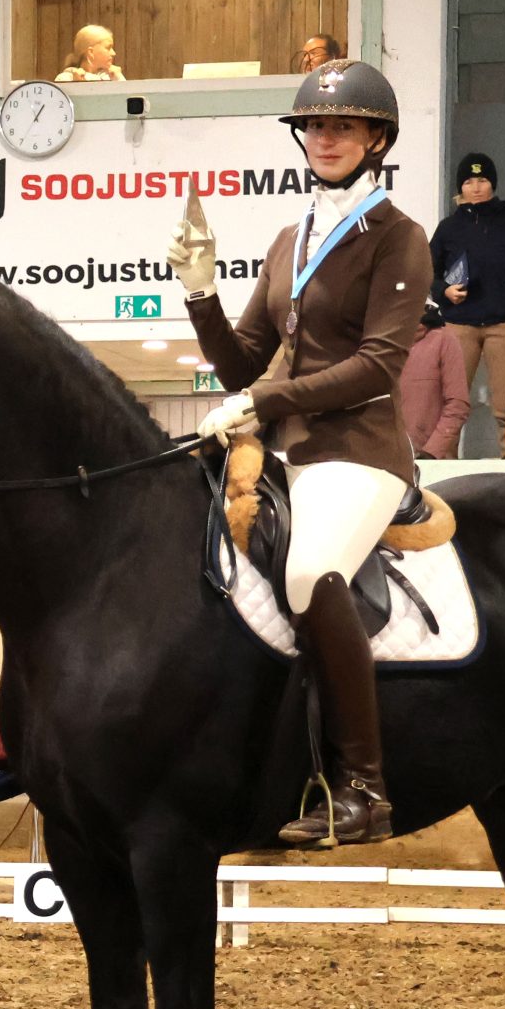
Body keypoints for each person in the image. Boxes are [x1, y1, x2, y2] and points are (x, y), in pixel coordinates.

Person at [173, 58, 431, 846]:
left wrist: (265, 401)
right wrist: (199, 293)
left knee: (308, 571)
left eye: (342, 126)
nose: (325, 138)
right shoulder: (294, 237)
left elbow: (378, 364)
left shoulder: (399, 237)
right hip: (291, 453)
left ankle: (364, 786)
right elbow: (246, 360)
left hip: (360, 452)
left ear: (375, 139)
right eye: (315, 126)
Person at [427, 151, 505, 443]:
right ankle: (443, 470)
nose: (476, 187)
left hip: (504, 326)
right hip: (458, 326)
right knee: (449, 405)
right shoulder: (448, 228)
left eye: (482, 180)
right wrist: (444, 291)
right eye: (468, 181)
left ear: (493, 184)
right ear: (459, 187)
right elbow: (425, 272)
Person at [397, 295, 469, 459]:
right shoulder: (374, 343)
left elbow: (457, 405)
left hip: (429, 463)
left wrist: (431, 452)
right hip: (379, 462)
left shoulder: (445, 340)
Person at [54, 25, 123, 82]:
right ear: (91, 52)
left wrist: (119, 79)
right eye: (108, 48)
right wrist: (76, 84)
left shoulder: (112, 76)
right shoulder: (65, 79)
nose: (113, 53)